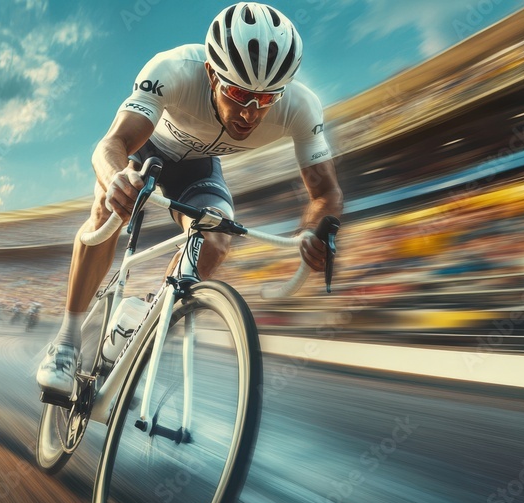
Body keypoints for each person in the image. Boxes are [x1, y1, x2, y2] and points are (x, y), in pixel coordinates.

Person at [37, 2, 343, 396]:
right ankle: (66, 341)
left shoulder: (301, 107)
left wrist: (315, 231)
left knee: (216, 238)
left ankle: (144, 322)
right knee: (105, 212)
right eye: (237, 93)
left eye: (265, 100)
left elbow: (326, 193)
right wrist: (116, 180)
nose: (250, 114)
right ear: (211, 73)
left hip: (199, 168)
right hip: (145, 151)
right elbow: (112, 143)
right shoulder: (173, 68)